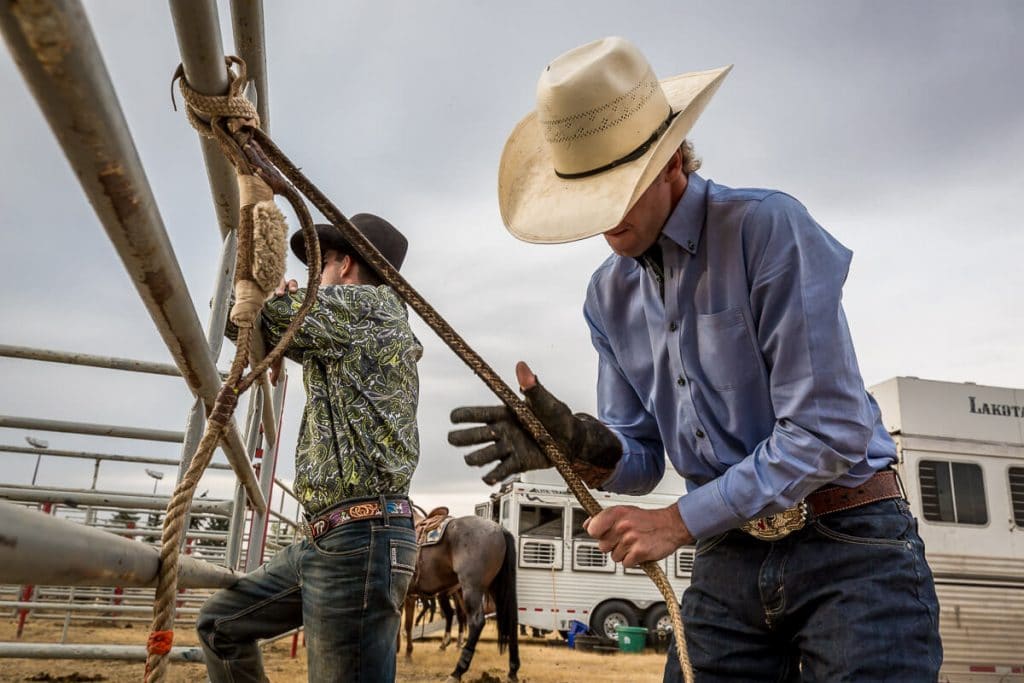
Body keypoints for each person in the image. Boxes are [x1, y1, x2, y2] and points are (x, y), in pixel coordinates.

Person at [448, 37, 942, 681]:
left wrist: (679, 521)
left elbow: (826, 430)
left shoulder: (766, 229)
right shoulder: (607, 296)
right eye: (590, 195)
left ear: (672, 161)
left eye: (618, 188)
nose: (605, 216)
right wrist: (578, 445)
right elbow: (642, 457)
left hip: (848, 539)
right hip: (727, 555)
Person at [197, 214, 423, 682]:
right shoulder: (360, 323)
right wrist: (274, 309)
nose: (315, 279)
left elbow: (240, 312)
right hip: (339, 537)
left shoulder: (365, 306)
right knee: (220, 624)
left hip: (357, 539)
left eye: (321, 267)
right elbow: (251, 323)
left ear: (345, 265)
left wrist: (274, 298)